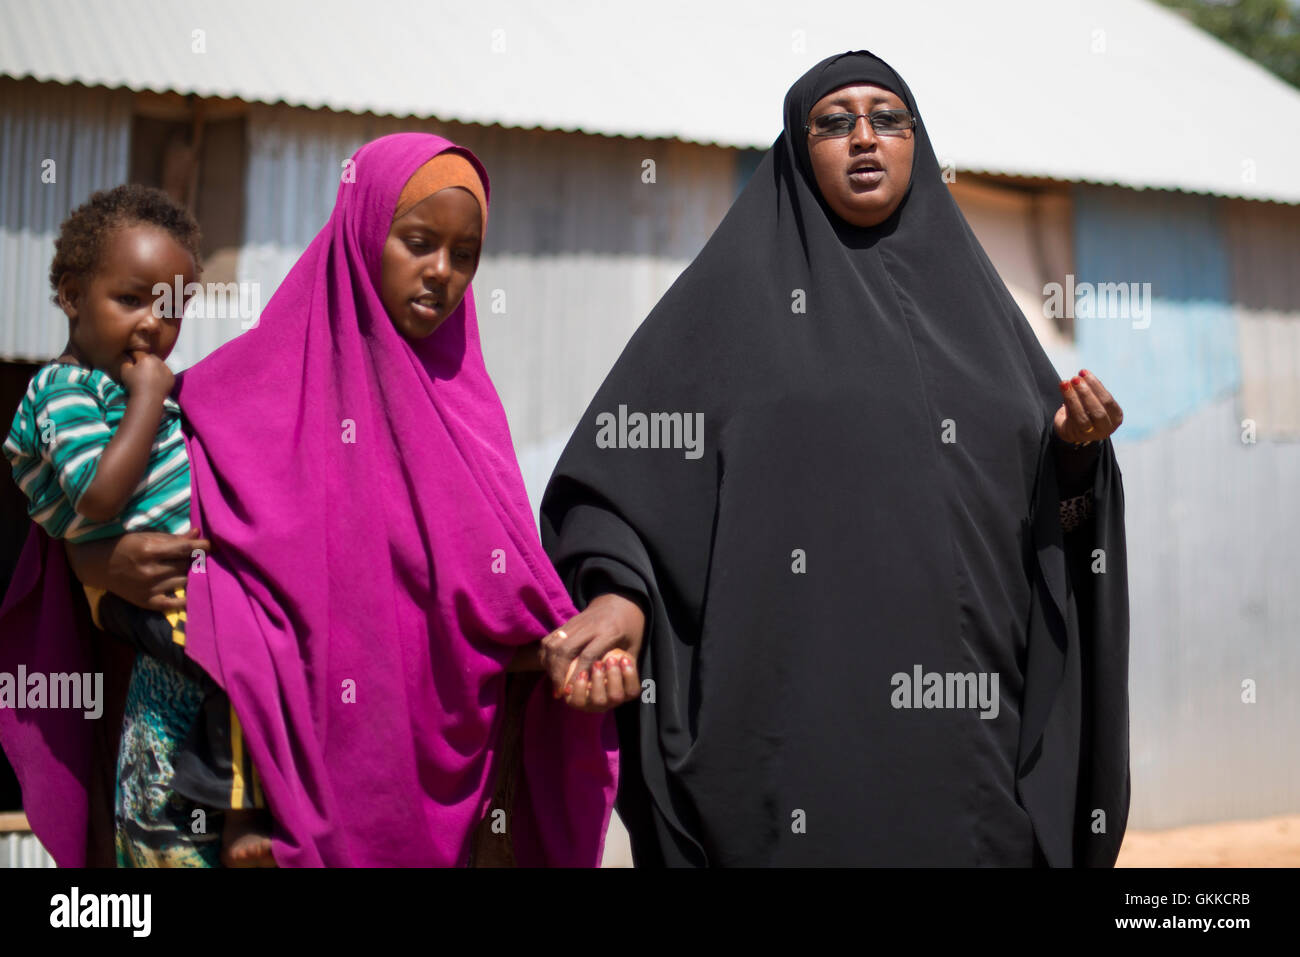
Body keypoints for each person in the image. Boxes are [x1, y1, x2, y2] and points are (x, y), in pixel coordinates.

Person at [537, 50, 1130, 866]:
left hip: (967, 752)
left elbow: (1045, 523)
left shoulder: (983, 322)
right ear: (797, 144)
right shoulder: (733, 301)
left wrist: (1073, 461)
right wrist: (621, 598)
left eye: (887, 118)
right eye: (834, 121)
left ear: (915, 141)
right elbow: (619, 481)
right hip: (792, 739)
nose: (864, 138)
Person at [61, 134, 618, 866]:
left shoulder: (467, 420)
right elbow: (97, 510)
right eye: (417, 242)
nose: (442, 273)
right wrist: (96, 559)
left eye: (465, 253)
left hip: (403, 788)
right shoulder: (233, 394)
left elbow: (506, 593)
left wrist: (579, 642)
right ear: (361, 234)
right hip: (198, 778)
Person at [1, 184, 272, 867]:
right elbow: (97, 494)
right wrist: (150, 400)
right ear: (69, 295)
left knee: (250, 653)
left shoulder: (128, 391)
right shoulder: (66, 391)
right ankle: (238, 813)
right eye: (130, 300)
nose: (152, 325)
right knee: (238, 656)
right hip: (141, 604)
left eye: (170, 307)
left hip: (175, 585)